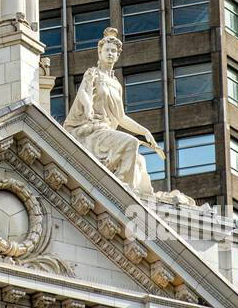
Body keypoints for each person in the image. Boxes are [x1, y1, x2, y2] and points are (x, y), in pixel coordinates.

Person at [63, 27, 163, 198]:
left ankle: (129, 192)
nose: (110, 53)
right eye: (107, 50)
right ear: (99, 53)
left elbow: (121, 117)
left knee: (140, 161)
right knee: (131, 143)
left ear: (117, 56)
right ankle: (123, 190)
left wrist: (145, 132)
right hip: (90, 131)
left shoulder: (116, 84)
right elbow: (84, 94)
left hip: (106, 131)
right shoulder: (92, 73)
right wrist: (88, 109)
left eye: (114, 51)